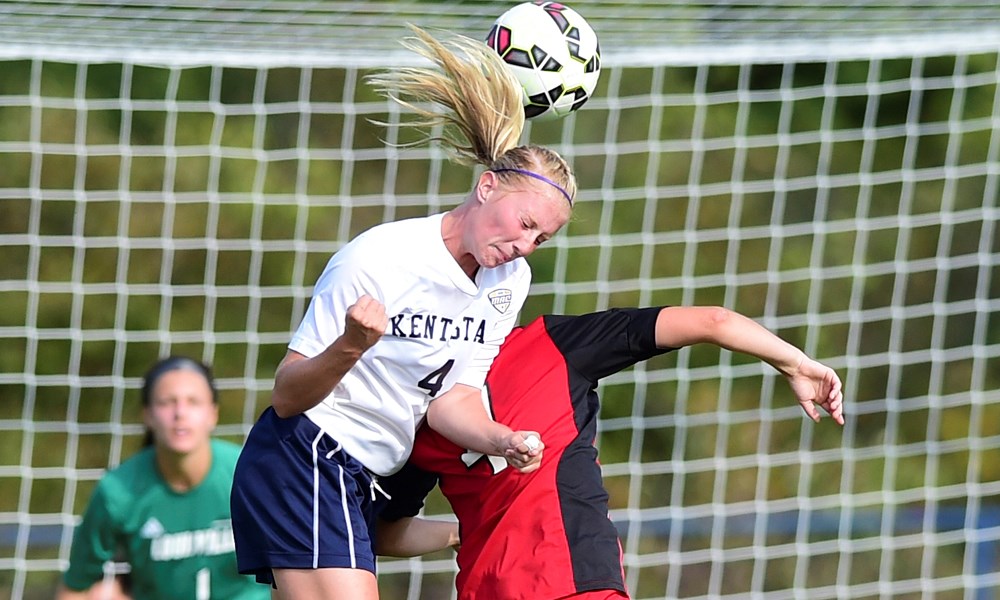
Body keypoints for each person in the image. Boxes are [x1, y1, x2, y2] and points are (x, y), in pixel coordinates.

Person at [229, 25, 576, 600]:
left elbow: (451, 399)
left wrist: (500, 438)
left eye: (543, 238)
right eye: (525, 224)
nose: (526, 245)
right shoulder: (380, 257)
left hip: (363, 476)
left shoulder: (510, 280)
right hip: (308, 454)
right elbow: (287, 396)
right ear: (487, 188)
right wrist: (350, 346)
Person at [377, 305, 845, 600]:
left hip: (487, 585)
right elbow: (713, 322)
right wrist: (795, 362)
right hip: (572, 575)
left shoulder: (419, 416)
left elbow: (385, 535)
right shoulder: (549, 346)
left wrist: (467, 531)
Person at [58, 356, 268, 600]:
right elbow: (75, 587)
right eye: (167, 402)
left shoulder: (250, 476)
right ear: (147, 415)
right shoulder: (116, 491)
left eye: (193, 402)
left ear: (213, 414)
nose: (180, 412)